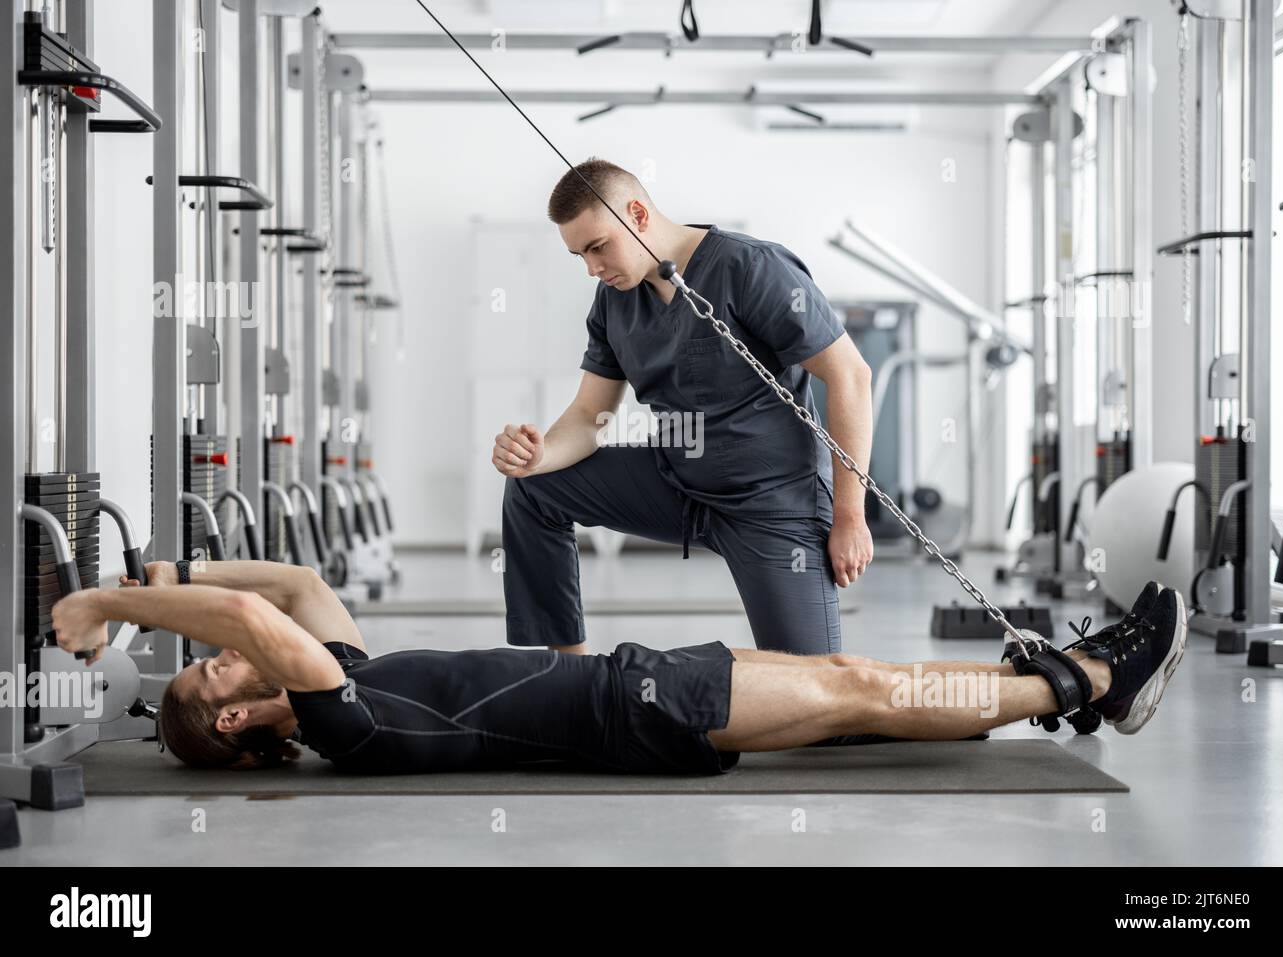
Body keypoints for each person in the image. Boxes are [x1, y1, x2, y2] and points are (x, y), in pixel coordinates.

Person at [50, 561, 1187, 774]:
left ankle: (1061, 681)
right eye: (212, 676)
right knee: (858, 688)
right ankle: (1087, 683)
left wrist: (170, 566)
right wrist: (105, 601)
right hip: (639, 709)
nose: (219, 657)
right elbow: (261, 619)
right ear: (251, 720)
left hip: (639, 684)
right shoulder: (343, 724)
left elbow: (288, 591)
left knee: (860, 693)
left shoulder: (342, 671)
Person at [491, 158, 874, 656]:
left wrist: (850, 515)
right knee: (533, 487)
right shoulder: (613, 300)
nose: (592, 268)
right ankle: (570, 682)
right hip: (679, 485)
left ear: (638, 214)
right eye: (578, 255)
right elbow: (590, 416)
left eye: (598, 246)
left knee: (812, 692)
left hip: (772, 502)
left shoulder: (752, 267)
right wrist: (536, 457)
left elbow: (851, 375)